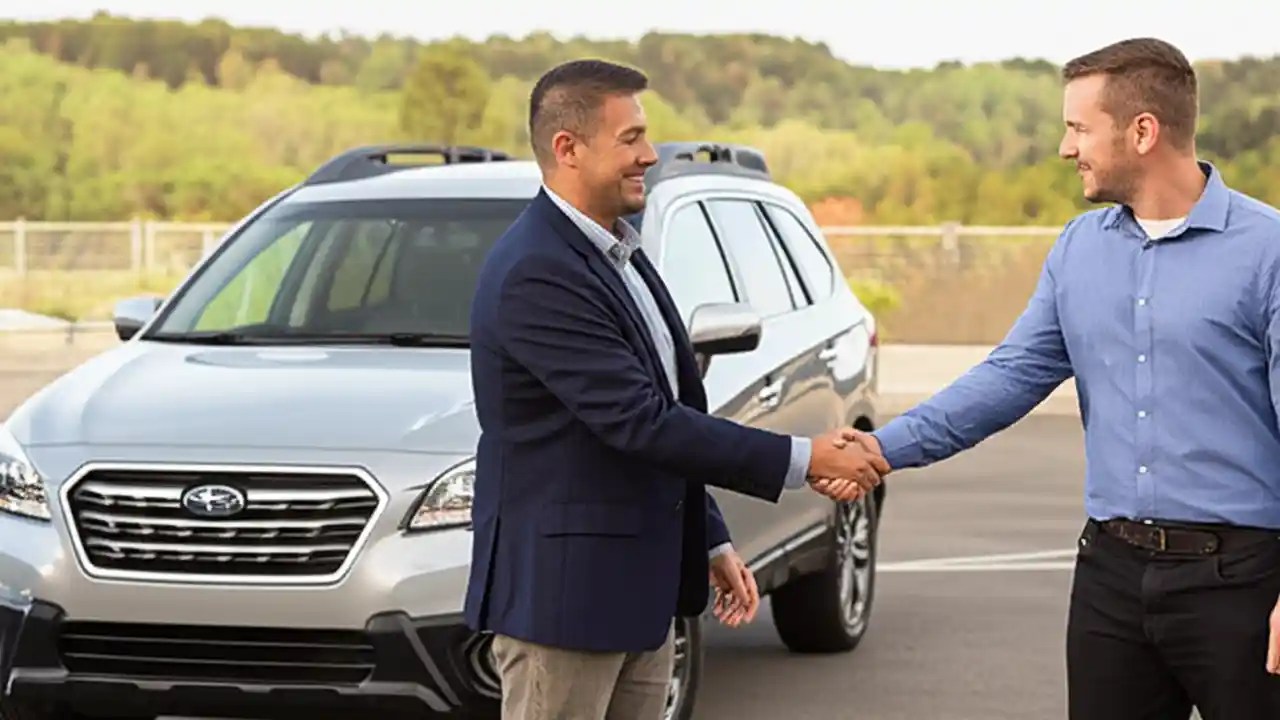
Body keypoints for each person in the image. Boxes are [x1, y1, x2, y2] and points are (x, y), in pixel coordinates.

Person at [840, 37, 1280, 720]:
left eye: (1078, 127)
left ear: (1142, 131)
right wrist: (883, 448)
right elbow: (1014, 374)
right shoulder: (1079, 249)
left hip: (1244, 583)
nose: (1064, 148)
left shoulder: (1268, 253)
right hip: (1111, 575)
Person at [465, 58, 887, 720]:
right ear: (567, 149)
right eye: (630, 138)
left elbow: (675, 413)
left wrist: (710, 540)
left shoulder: (621, 254)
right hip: (566, 609)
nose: (649, 154)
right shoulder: (537, 273)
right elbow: (641, 424)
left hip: (641, 598)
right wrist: (805, 458)